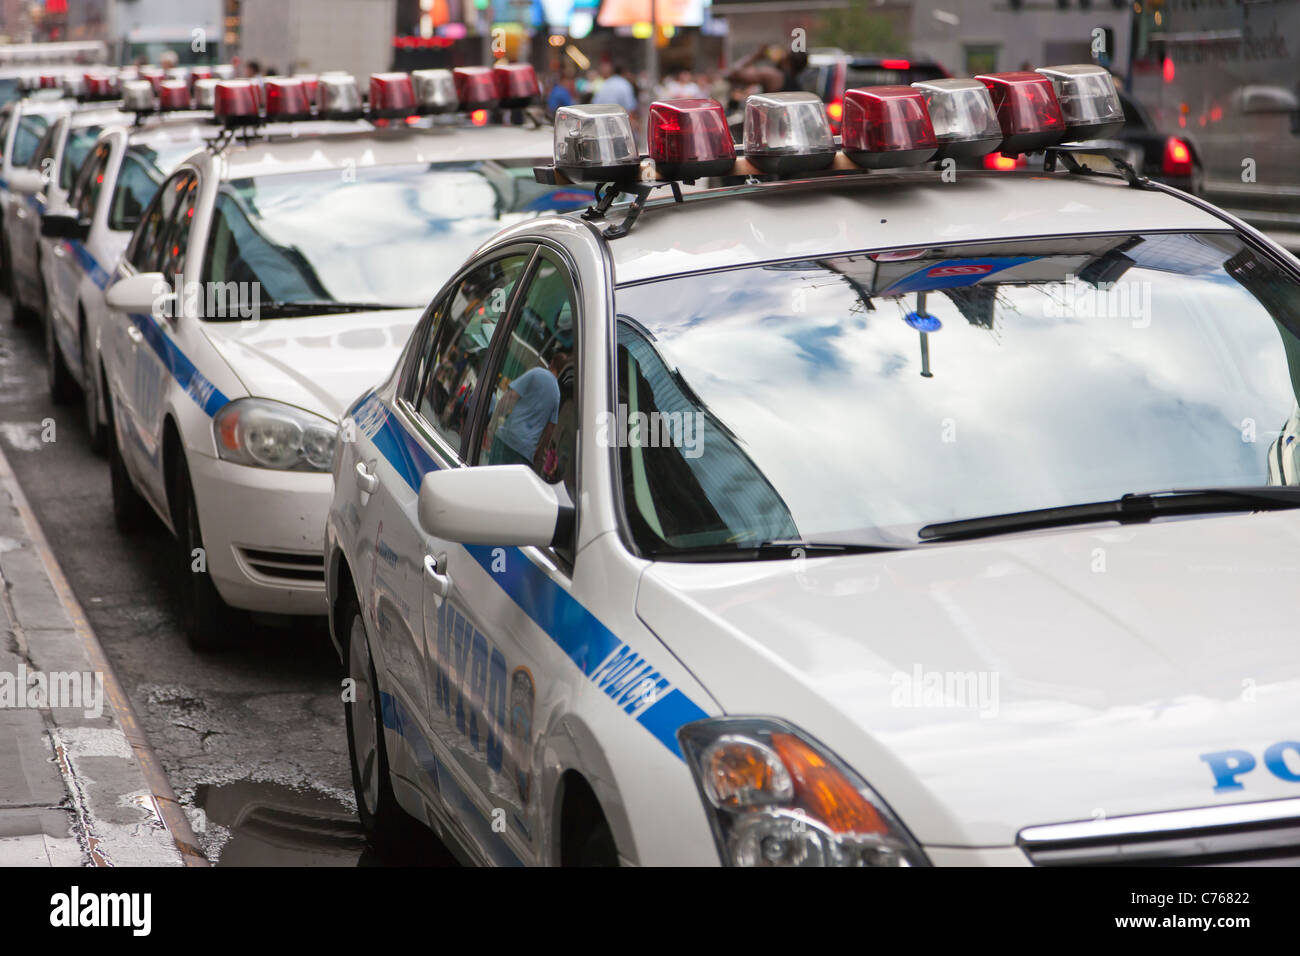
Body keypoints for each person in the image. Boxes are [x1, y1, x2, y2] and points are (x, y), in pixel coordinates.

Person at [485, 350, 570, 471]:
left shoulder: (536, 373)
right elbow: (550, 429)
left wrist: (492, 423)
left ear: (551, 363)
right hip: (525, 452)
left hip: (507, 439)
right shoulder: (557, 394)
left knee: (491, 479)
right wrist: (538, 452)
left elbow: (510, 397)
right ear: (561, 369)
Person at [725, 43, 808, 94]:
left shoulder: (773, 76)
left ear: (787, 62)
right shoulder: (799, 81)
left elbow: (733, 73)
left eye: (784, 52)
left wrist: (756, 55)